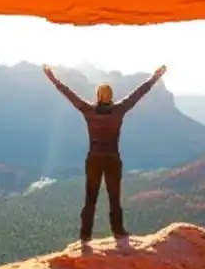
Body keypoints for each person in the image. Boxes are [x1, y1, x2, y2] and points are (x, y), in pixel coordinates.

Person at [42, 63, 167, 243]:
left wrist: (51, 77)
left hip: (94, 159)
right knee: (114, 197)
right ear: (111, 96)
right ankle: (119, 231)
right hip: (113, 159)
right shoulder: (119, 110)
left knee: (90, 198)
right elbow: (139, 93)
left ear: (98, 96)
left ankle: (85, 235)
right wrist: (156, 76)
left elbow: (69, 94)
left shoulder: (88, 111)